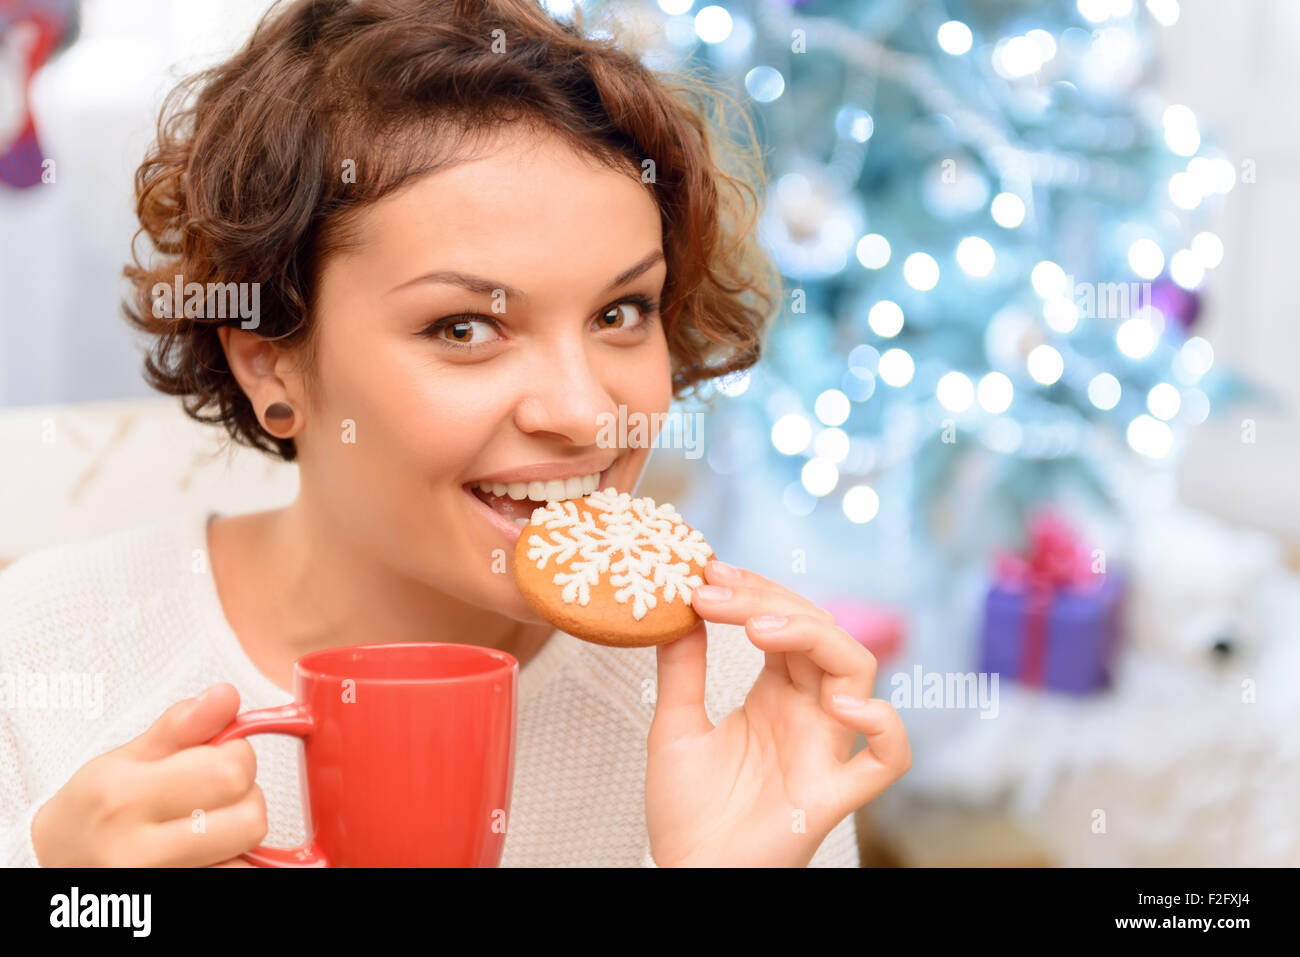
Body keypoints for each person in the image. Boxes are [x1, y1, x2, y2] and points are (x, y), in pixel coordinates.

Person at [0, 0, 908, 868]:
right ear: (271, 364)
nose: (590, 412)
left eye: (622, 312)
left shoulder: (743, 696)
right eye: (465, 327)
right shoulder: (44, 658)